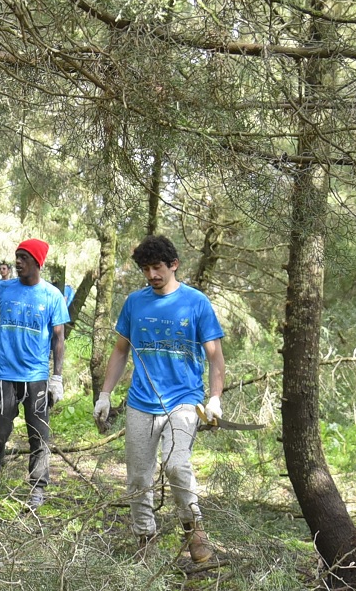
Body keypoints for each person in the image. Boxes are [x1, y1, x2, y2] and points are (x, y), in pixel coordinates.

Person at [95, 236, 225, 562]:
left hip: (184, 399)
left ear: (173, 265)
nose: (151, 274)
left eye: (157, 267)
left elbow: (215, 356)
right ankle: (145, 541)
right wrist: (105, 394)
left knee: (176, 464)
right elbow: (121, 350)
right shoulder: (135, 304)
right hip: (141, 402)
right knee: (138, 477)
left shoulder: (196, 303)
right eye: (146, 269)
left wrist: (215, 398)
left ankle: (194, 527)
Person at [0, 239, 69, 508]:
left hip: (36, 377)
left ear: (38, 262)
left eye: (24, 257)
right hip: (4, 375)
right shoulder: (2, 290)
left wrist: (56, 377)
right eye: (17, 256)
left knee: (39, 434)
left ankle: (37, 487)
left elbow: (58, 339)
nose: (18, 261)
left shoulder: (52, 296)